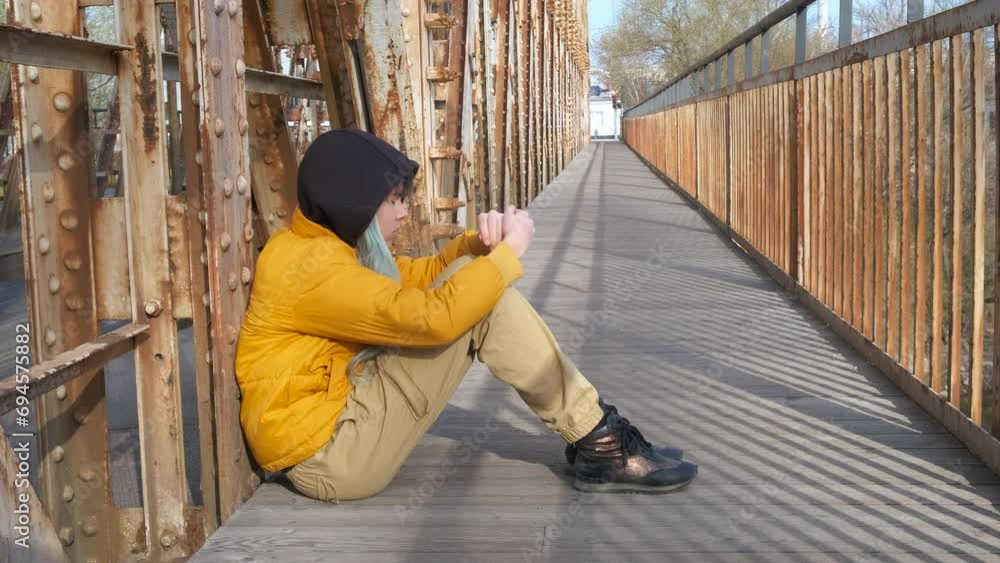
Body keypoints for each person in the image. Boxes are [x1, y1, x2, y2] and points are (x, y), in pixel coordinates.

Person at [234, 128, 698, 502]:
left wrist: (479, 246)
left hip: (334, 428)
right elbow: (432, 318)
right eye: (392, 200)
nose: (403, 212)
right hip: (329, 458)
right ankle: (602, 442)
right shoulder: (310, 268)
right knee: (482, 303)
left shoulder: (324, 246)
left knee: (470, 280)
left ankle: (597, 434)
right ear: (352, 201)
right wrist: (508, 255)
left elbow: (421, 277)